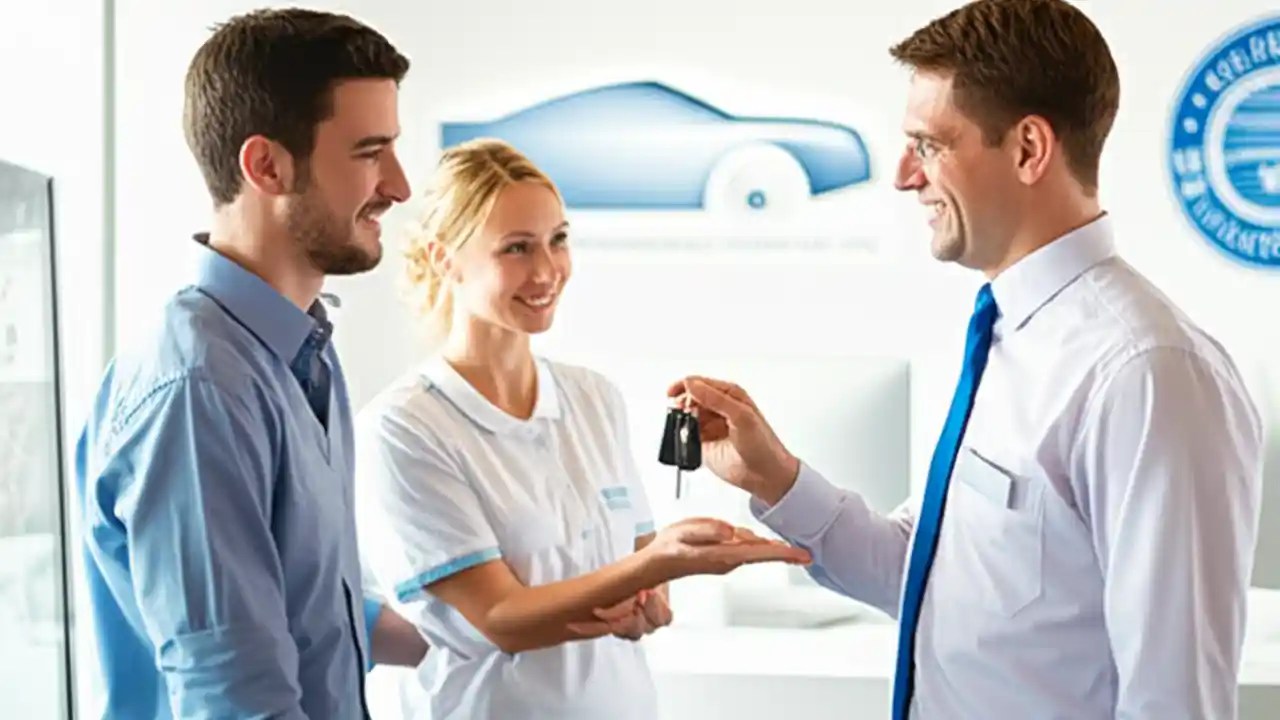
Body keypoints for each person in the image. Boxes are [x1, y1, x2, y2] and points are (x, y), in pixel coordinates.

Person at [669, 1, 1265, 718]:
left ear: (1027, 150)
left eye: (927, 145)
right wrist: (776, 477)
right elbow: (926, 577)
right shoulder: (1012, 332)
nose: (901, 176)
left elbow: (1175, 701)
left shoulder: (1147, 371)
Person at [352, 138, 811, 720]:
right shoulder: (406, 427)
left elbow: (638, 574)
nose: (546, 271)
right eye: (516, 248)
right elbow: (501, 620)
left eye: (558, 240)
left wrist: (650, 599)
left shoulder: (594, 398)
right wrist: (660, 563)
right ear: (446, 259)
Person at [75, 9, 430, 719]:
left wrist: (489, 627)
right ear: (266, 165)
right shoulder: (199, 389)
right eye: (370, 152)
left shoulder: (298, 354)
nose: (399, 185)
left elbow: (304, 602)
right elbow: (235, 698)